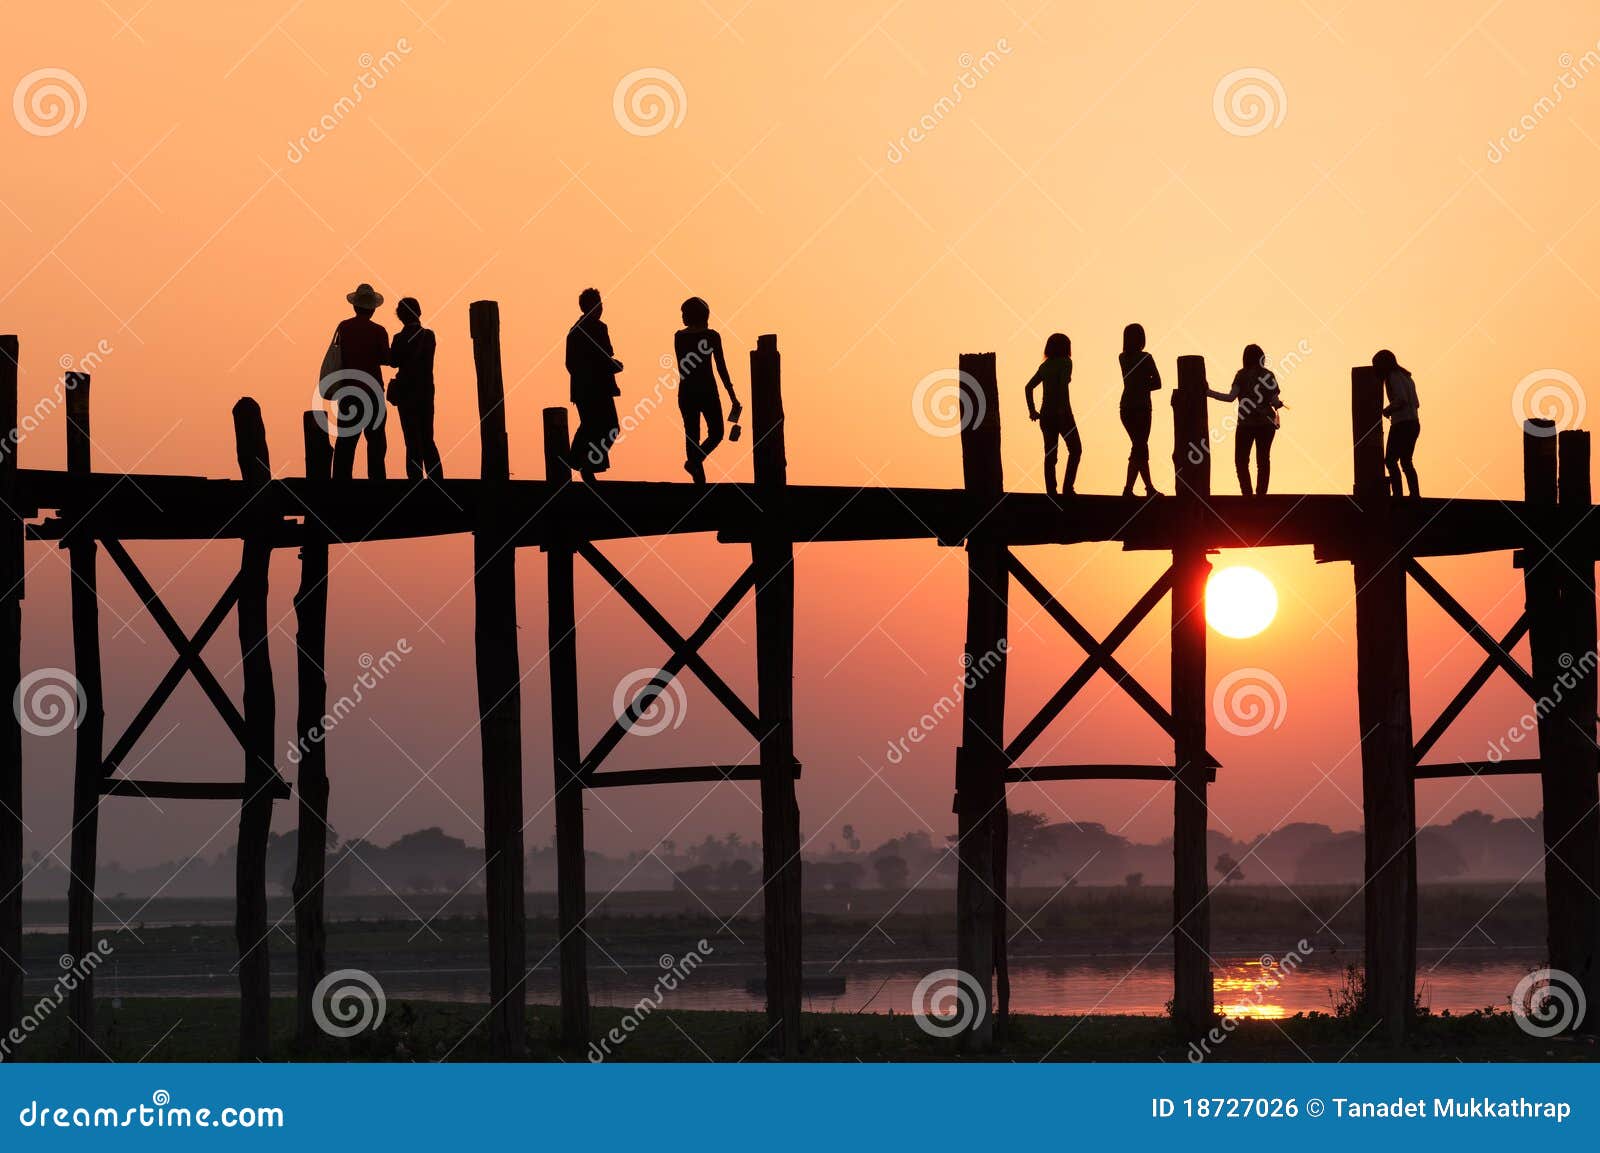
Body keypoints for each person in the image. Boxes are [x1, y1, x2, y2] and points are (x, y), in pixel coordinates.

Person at [675, 297, 740, 485]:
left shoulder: (679, 337)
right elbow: (721, 367)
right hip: (708, 391)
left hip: (686, 391)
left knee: (691, 434)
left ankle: (696, 471)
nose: (682, 317)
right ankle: (695, 466)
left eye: (684, 313)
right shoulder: (712, 336)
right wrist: (732, 396)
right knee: (717, 433)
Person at [327, 283, 389, 480]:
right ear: (372, 309)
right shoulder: (379, 331)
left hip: (349, 391)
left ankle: (341, 483)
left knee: (345, 442)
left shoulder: (344, 327)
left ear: (355, 307)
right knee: (376, 442)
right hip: (373, 393)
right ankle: (377, 482)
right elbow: (386, 358)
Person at [1208, 344, 1284, 496]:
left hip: (1245, 425)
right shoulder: (1268, 375)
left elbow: (1230, 398)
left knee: (1241, 461)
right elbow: (1274, 400)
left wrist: (1208, 392)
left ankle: (1247, 494)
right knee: (1263, 460)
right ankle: (1261, 494)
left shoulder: (1241, 375)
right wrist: (1277, 404)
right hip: (1266, 424)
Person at [566, 288, 623, 482]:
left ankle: (580, 462)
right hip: (598, 389)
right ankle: (582, 462)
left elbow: (571, 364)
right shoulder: (598, 328)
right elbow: (604, 357)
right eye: (598, 304)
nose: (600, 308)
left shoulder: (574, 330)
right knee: (609, 427)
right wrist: (614, 366)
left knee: (591, 427)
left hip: (581, 390)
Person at [386, 297, 443, 480]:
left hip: (406, 393)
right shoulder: (429, 336)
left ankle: (414, 482)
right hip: (426, 392)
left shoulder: (398, 338)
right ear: (419, 313)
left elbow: (393, 362)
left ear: (400, 317)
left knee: (411, 440)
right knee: (428, 438)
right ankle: (438, 482)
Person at [1024, 332, 1080, 496]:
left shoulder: (1045, 366)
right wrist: (1062, 410)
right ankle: (1067, 488)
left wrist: (1032, 410)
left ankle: (1051, 492)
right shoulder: (1066, 362)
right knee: (1076, 449)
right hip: (1062, 413)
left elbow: (1028, 387)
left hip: (1045, 415)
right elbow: (1062, 386)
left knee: (1050, 454)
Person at [1118, 323, 1162, 497]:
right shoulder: (1146, 357)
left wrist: (1137, 384)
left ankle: (1140, 488)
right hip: (1142, 408)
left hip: (1126, 407)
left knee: (1139, 447)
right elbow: (1158, 383)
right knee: (1140, 447)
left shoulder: (1122, 357)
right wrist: (1144, 385)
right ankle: (1138, 489)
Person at [1374, 348, 1421, 497]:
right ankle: (1415, 495)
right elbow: (1416, 403)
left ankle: (1398, 495)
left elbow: (1401, 400)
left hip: (1402, 424)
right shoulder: (1407, 377)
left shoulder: (1392, 377)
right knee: (1406, 461)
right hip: (1414, 422)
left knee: (1390, 460)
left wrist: (1387, 410)